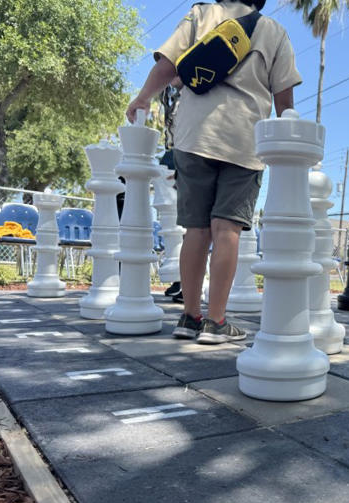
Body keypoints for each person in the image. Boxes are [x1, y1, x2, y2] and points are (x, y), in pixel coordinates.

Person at [126, 0, 301, 344]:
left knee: (196, 228)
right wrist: (286, 145)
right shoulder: (273, 31)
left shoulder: (201, 14)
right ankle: (216, 321)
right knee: (227, 228)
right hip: (244, 137)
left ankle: (190, 317)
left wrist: (144, 96)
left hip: (194, 134)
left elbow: (168, 62)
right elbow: (285, 101)